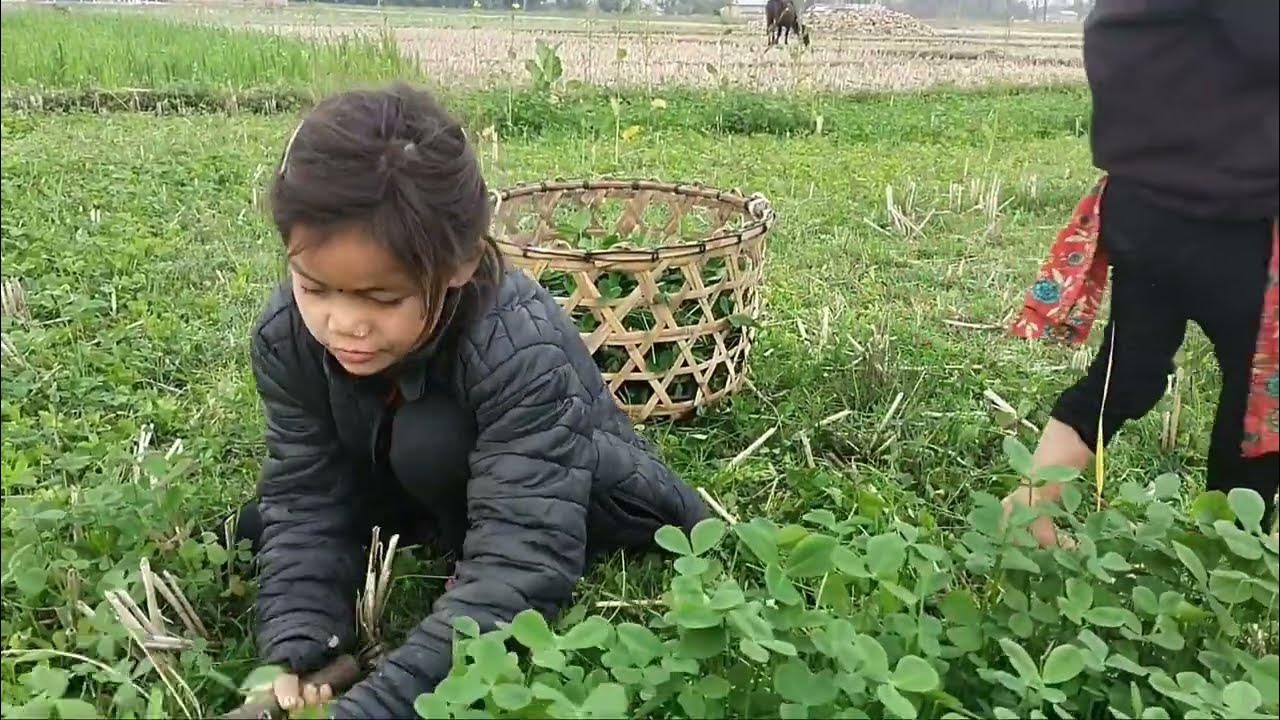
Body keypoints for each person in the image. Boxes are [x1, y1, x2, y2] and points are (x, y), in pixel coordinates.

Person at [235, 83, 708, 718]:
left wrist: (382, 702)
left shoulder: (519, 349)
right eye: (314, 287)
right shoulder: (285, 336)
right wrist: (297, 646)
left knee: (433, 442)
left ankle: (456, 556)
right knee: (264, 523)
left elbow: (525, 557)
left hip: (576, 498)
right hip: (409, 484)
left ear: (459, 263)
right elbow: (307, 490)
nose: (344, 324)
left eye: (382, 299)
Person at [1004, 0, 1278, 546]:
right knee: (1256, 393)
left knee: (1127, 371)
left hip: (1142, 209)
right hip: (1230, 220)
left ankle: (1027, 506)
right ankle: (1226, 554)